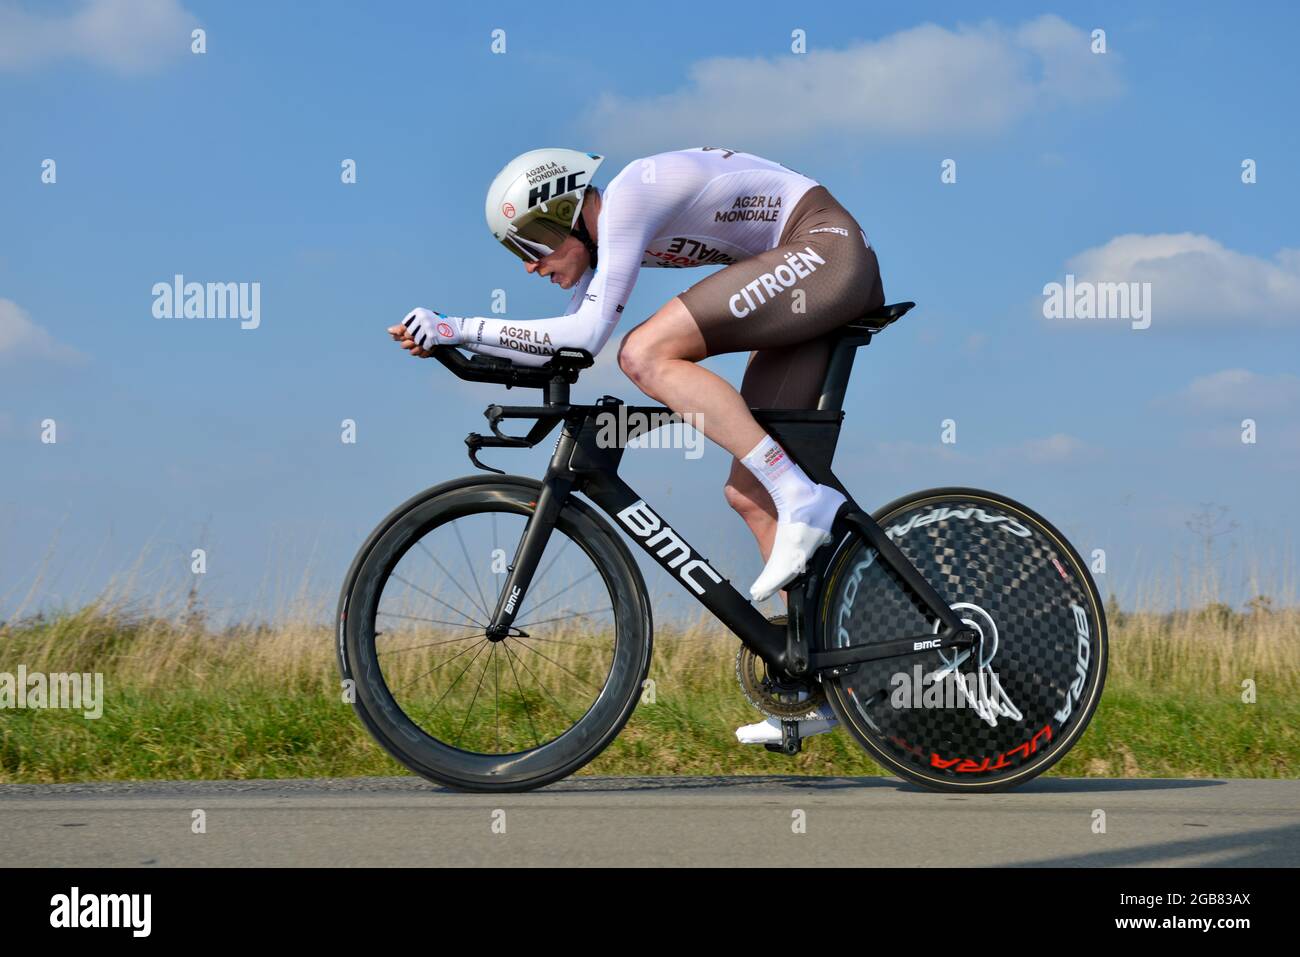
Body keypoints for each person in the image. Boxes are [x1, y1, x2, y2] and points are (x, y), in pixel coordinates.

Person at [389, 147, 884, 745]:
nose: (529, 265)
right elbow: (559, 343)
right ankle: (825, 681)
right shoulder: (615, 232)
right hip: (805, 268)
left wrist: (459, 325)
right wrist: (451, 344)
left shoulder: (628, 198)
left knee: (644, 353)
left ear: (566, 211)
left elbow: (590, 337)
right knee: (750, 495)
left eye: (530, 244)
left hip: (825, 252)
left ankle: (800, 493)